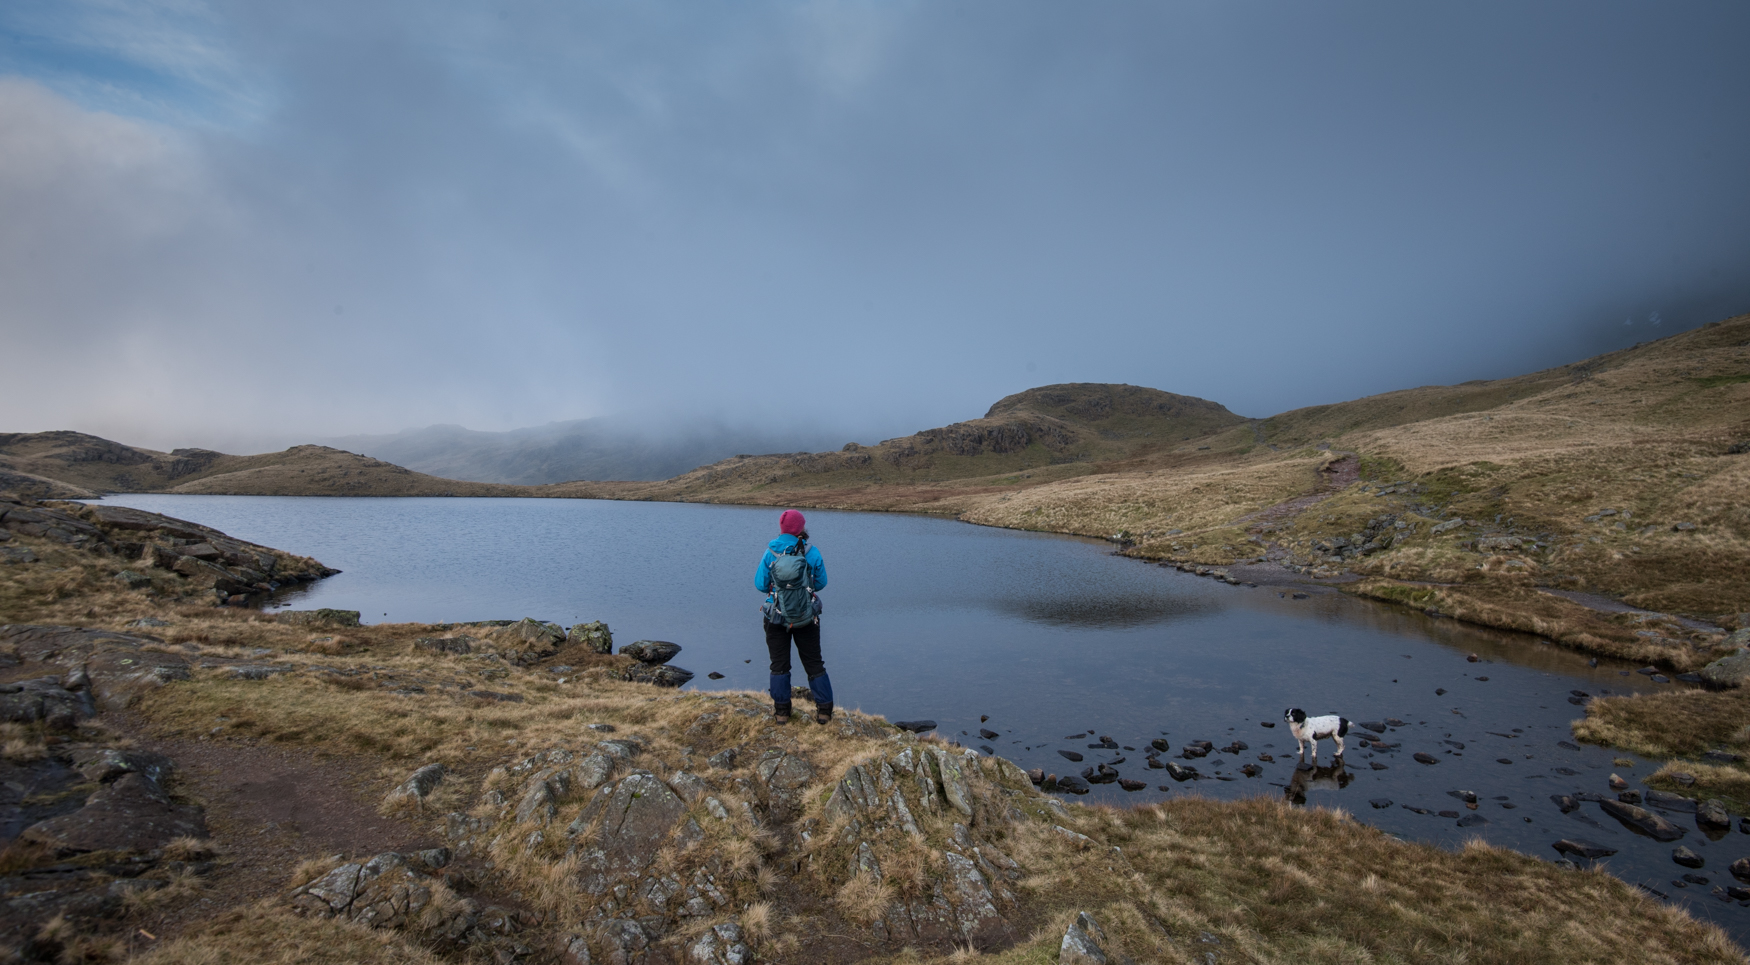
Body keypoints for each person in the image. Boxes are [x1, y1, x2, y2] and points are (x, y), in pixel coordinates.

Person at [755, 509, 832, 724]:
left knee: (779, 665)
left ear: (782, 528)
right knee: (815, 664)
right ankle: (824, 712)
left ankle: (781, 714)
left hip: (776, 616)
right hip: (806, 617)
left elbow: (760, 585)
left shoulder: (770, 551)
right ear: (801, 528)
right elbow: (822, 582)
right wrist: (804, 588)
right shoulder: (811, 551)